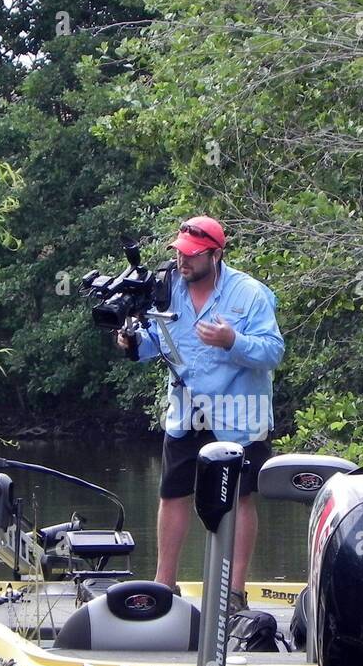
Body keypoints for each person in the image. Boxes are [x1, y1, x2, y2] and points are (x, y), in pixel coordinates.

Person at [116, 215, 284, 613]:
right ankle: (164, 584)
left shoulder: (250, 294)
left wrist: (233, 340)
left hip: (240, 415)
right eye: (178, 253)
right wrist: (130, 343)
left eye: (191, 256)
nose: (182, 262)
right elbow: (154, 342)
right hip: (187, 408)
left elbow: (273, 351)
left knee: (241, 499)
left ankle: (234, 591)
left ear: (216, 254)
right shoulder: (167, 290)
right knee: (172, 493)